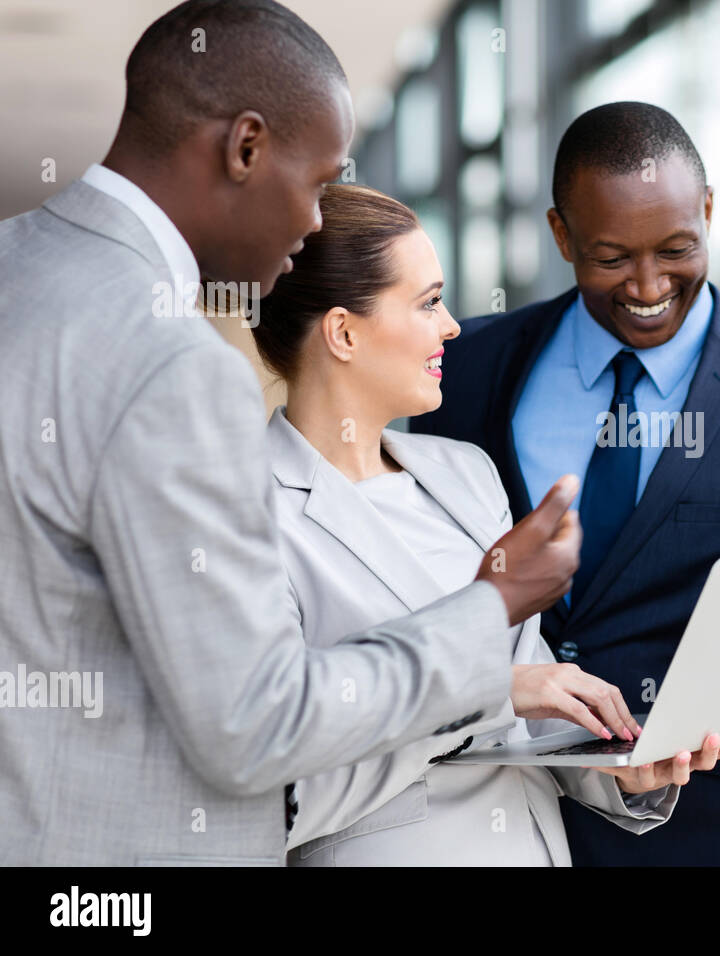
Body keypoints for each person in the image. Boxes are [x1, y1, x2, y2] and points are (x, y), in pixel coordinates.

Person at [0, 0, 576, 865]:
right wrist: (491, 609)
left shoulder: (18, 264)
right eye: (317, 182)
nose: (314, 221)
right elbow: (254, 725)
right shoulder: (172, 360)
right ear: (245, 147)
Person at [411, 102, 720, 866]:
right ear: (561, 235)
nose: (648, 285)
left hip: (696, 840)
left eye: (678, 247)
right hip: (489, 828)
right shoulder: (467, 364)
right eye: (611, 258)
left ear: (709, 212)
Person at [251, 184, 720, 864]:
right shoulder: (250, 517)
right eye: (427, 302)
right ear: (343, 332)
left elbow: (525, 703)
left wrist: (618, 769)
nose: (452, 325)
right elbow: (271, 795)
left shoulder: (466, 475)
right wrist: (486, 696)